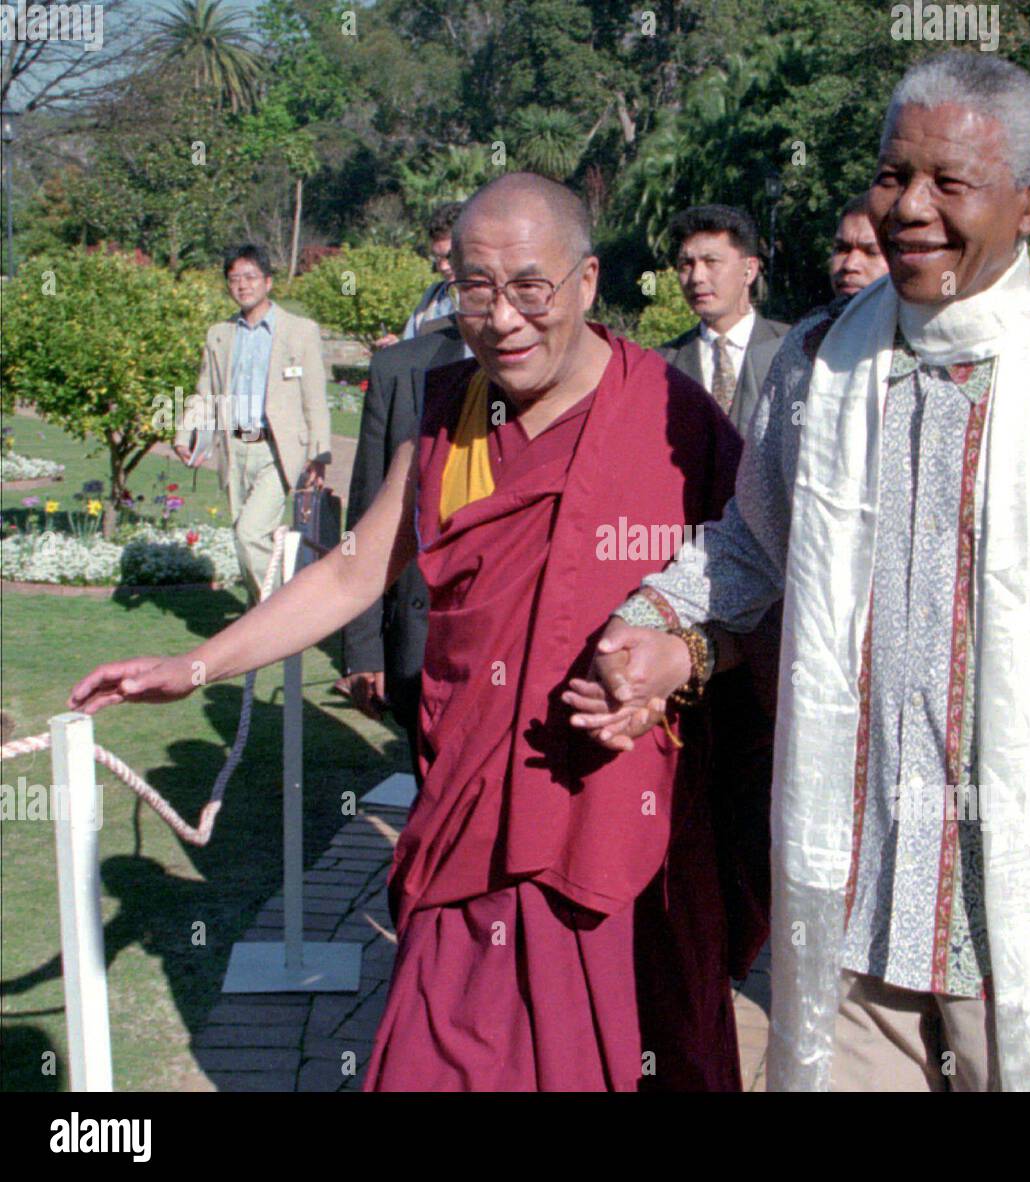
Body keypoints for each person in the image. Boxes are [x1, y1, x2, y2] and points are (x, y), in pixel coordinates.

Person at [568, 51, 1030, 1092]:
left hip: (1026, 920)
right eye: (889, 175)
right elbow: (753, 544)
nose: (906, 209)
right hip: (851, 892)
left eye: (947, 184)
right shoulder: (820, 366)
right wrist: (662, 616)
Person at [71, 172, 758, 1093]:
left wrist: (681, 661)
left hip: (616, 821)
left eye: (530, 287)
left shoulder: (675, 420)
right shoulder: (451, 417)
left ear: (588, 283)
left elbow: (757, 598)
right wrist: (194, 664)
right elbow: (355, 569)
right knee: (437, 1059)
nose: (503, 318)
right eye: (477, 288)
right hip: (472, 816)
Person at [340, 319, 469, 777]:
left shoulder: (581, 369)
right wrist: (363, 649)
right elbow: (366, 516)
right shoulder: (400, 368)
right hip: (421, 646)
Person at [174, 243, 329, 604]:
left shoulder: (300, 331)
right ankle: (261, 611)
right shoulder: (219, 335)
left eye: (250, 277)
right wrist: (185, 434)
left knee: (250, 533)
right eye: (234, 279)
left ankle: (274, 617)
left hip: (277, 452)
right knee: (245, 537)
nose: (242, 286)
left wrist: (319, 455)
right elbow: (205, 392)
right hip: (234, 450)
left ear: (268, 282)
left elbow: (315, 397)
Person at [656, 205, 788, 438]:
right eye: (686, 265)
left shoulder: (792, 348)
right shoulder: (661, 364)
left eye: (711, 262)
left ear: (750, 269)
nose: (697, 277)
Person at [373, 202, 463, 348]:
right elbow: (413, 345)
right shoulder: (431, 298)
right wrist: (397, 348)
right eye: (437, 258)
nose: (443, 266)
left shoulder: (493, 296)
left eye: (450, 256)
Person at [828, 193, 890, 299]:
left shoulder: (925, 315)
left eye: (871, 252)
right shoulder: (818, 315)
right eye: (841, 249)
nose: (849, 265)